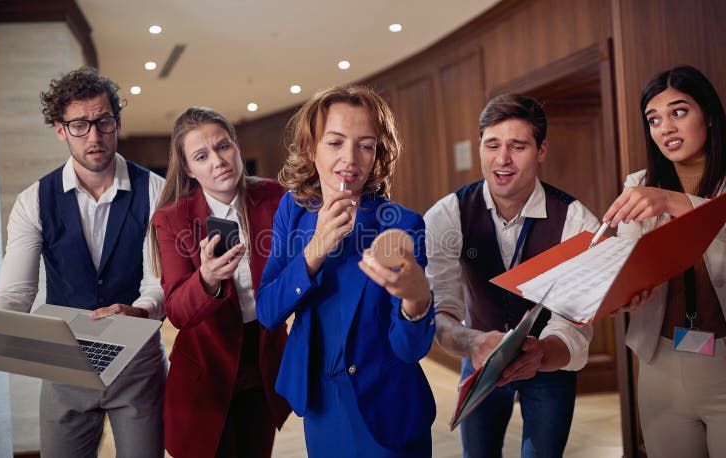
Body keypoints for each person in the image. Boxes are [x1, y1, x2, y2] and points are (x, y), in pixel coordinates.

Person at [0, 67, 167, 456]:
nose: (93, 136)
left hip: (138, 365)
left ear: (117, 122)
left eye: (103, 122)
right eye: (79, 125)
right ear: (60, 129)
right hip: (65, 366)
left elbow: (158, 283)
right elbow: (15, 293)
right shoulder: (33, 201)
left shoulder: (157, 191)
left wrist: (141, 312)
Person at [255, 85, 435, 457]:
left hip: (388, 407)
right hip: (322, 406)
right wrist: (315, 249)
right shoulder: (293, 210)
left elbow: (410, 347)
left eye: (365, 145)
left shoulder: (402, 225)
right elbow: (268, 311)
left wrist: (417, 303)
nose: (350, 158)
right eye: (335, 142)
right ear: (311, 148)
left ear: (377, 154)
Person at [425, 94, 598, 457]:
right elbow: (439, 310)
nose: (502, 159)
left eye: (517, 146)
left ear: (541, 150)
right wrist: (471, 342)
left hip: (548, 362)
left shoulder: (577, 221)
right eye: (492, 145)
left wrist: (543, 354)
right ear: (480, 147)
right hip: (478, 358)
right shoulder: (447, 215)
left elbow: (577, 323)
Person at [150, 107, 291, 458]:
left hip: (263, 362)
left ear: (236, 146)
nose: (218, 160)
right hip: (204, 373)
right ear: (188, 169)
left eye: (223, 146)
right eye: (202, 155)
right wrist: (206, 279)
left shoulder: (273, 196)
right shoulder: (171, 218)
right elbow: (178, 311)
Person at [602, 65, 726, 457]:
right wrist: (622, 292)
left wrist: (674, 202)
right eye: (653, 120)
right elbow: (629, 261)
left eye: (678, 112)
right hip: (661, 361)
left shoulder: (661, 194)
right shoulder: (639, 184)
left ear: (707, 113)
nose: (665, 128)